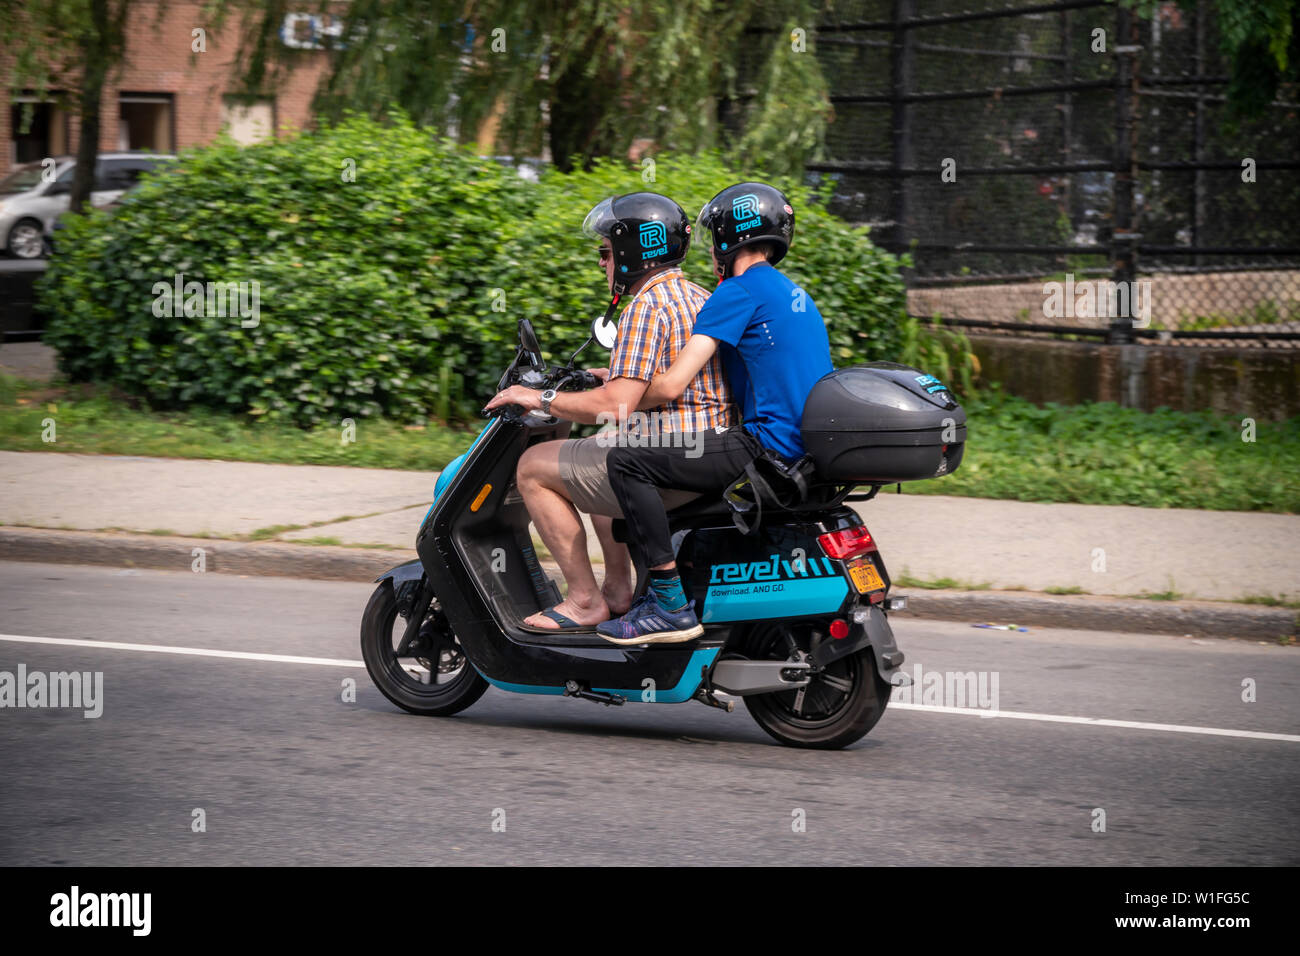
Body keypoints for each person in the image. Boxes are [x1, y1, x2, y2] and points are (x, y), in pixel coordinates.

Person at [595, 182, 833, 645]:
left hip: (762, 447)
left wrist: (617, 392)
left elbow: (669, 385)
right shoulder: (790, 292)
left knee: (625, 460)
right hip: (800, 448)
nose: (707, 252)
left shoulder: (736, 292)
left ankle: (668, 604)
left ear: (728, 239)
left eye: (711, 239)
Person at [485, 192, 735, 631]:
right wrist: (609, 376)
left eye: (606, 252)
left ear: (632, 252)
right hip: (704, 448)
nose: (602, 263)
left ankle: (583, 600)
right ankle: (618, 588)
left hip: (671, 457)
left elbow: (615, 406)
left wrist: (537, 398)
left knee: (532, 467)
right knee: (597, 450)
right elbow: (665, 381)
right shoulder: (695, 295)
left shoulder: (645, 305)